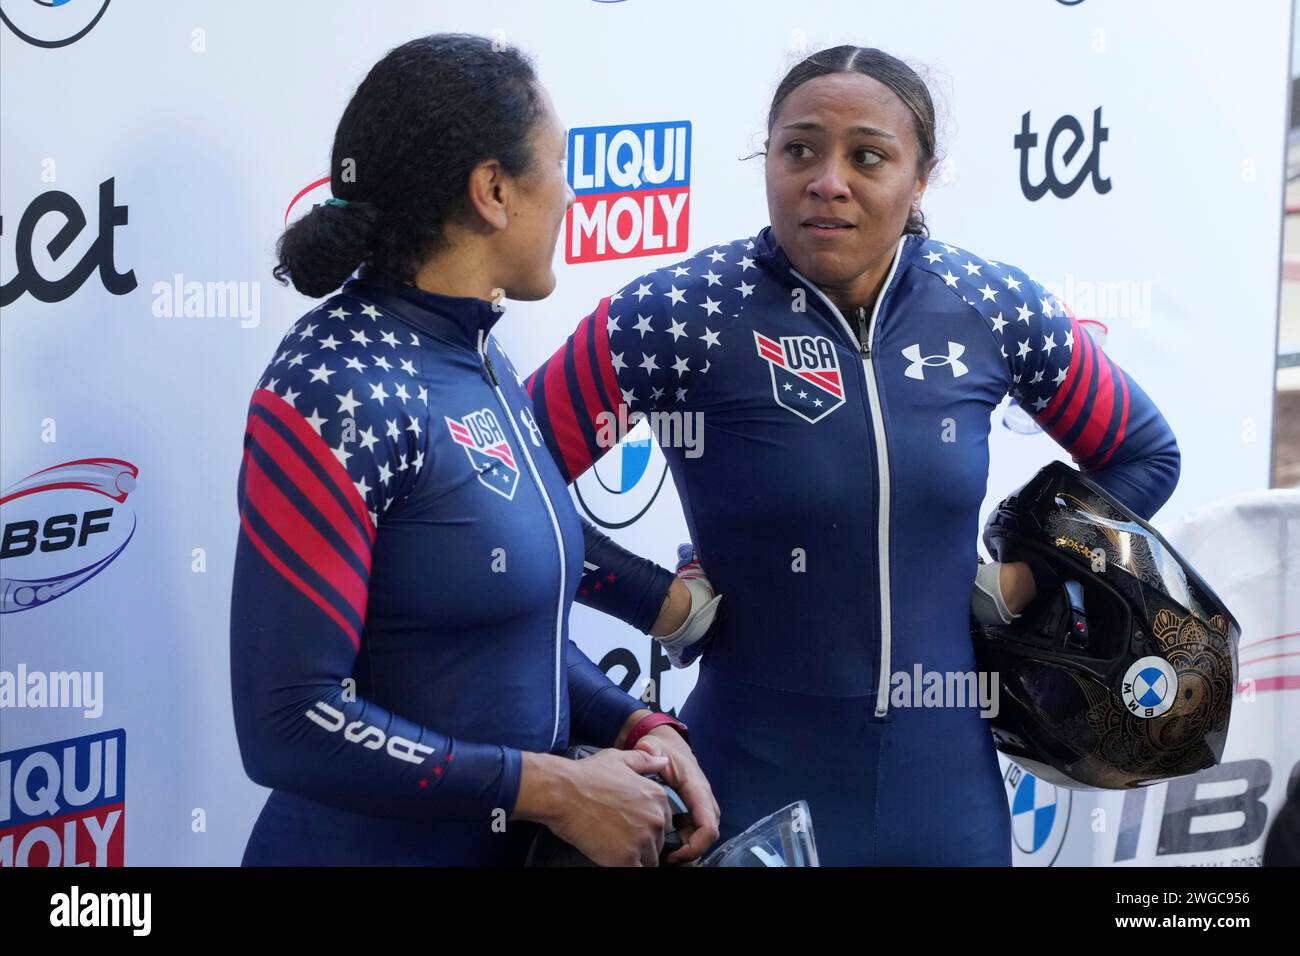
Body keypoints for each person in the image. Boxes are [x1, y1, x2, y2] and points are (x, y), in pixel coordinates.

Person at [526, 45, 1181, 865]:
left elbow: (1143, 456)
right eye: (798, 150)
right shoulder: (677, 315)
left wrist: (1024, 575)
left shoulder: (989, 305)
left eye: (867, 156)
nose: (826, 180)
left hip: (946, 797)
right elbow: (506, 490)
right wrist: (651, 598)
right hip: (746, 781)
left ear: (921, 177)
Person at [229, 33, 718, 866]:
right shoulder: (336, 384)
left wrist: (636, 723)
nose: (571, 195)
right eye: (560, 164)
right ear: (493, 190)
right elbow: (288, 722)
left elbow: (500, 635)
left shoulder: (483, 355)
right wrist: (558, 788)